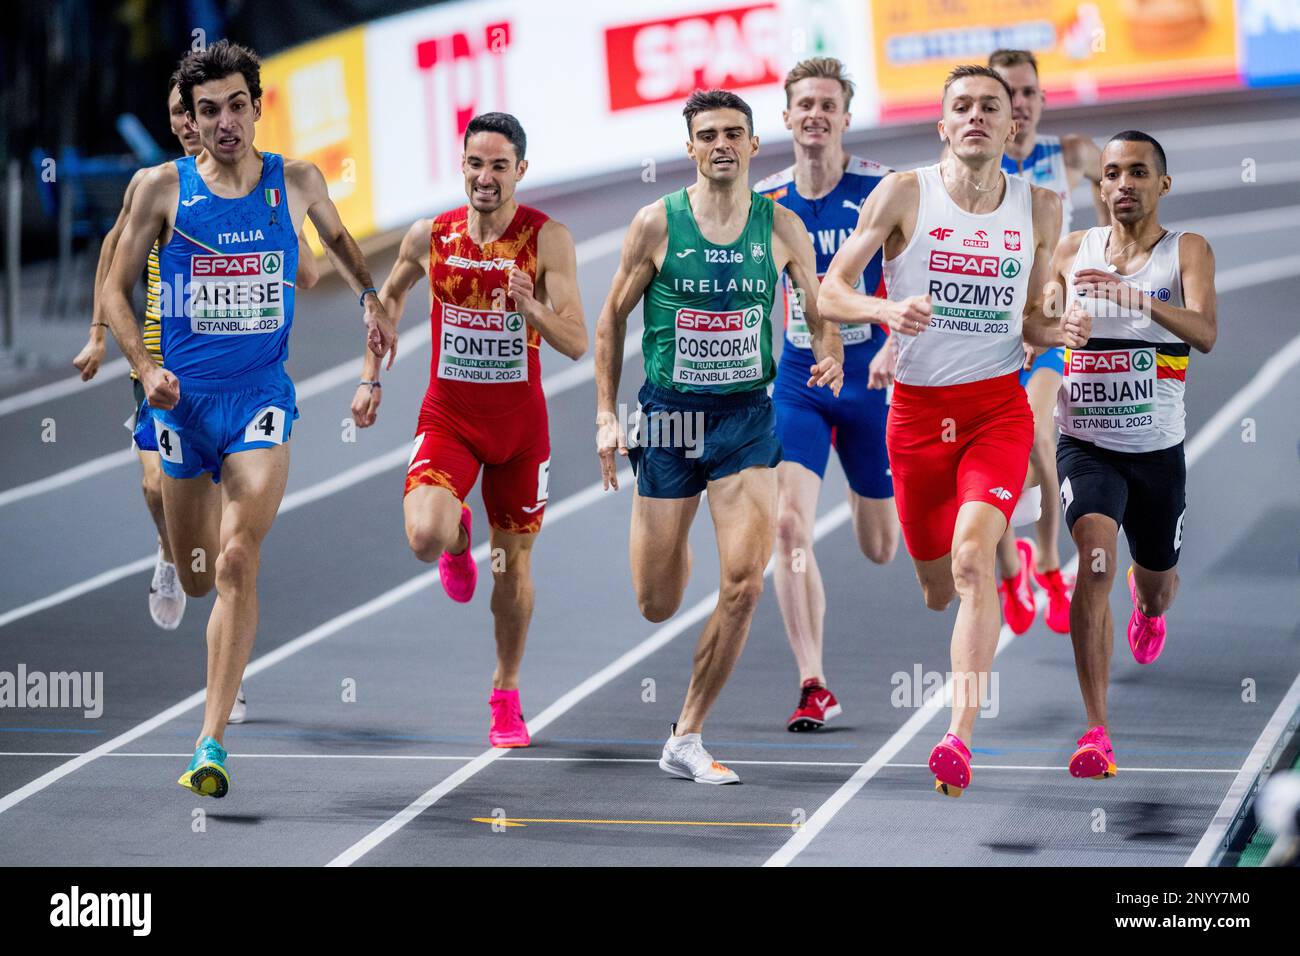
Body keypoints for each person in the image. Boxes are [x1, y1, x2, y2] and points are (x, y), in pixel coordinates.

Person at [101, 41, 396, 797]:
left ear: (258, 107)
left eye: (237, 105)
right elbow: (113, 289)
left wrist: (371, 298)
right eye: (208, 111)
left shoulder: (293, 181)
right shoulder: (159, 190)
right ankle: (172, 556)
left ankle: (210, 741)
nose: (225, 122)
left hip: (260, 400)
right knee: (200, 576)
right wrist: (143, 366)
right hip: (182, 405)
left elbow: (338, 243)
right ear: (190, 120)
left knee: (237, 561)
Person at [820, 65, 1088, 797]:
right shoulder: (906, 192)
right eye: (961, 107)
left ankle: (957, 739)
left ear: (1012, 128)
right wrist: (884, 315)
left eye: (990, 108)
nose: (975, 116)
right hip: (914, 419)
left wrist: (1055, 325)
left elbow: (1032, 318)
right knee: (938, 586)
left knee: (974, 560)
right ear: (943, 126)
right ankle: (982, 590)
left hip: (995, 411)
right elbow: (830, 290)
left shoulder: (1040, 208)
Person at [595, 89, 843, 784]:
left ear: (754, 144)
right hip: (670, 419)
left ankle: (687, 735)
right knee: (657, 601)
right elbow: (611, 320)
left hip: (745, 419)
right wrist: (606, 415)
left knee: (745, 584)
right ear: (691, 148)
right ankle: (675, 544)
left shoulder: (781, 225)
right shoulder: (656, 224)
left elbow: (817, 304)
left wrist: (831, 347)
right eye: (709, 134)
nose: (723, 143)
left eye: (735, 132)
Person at [351, 112, 586, 748]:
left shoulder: (548, 239)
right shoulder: (432, 235)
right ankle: (458, 543)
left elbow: (577, 342)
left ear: (521, 171)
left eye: (499, 166)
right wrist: (372, 374)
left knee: (510, 570)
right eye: (475, 164)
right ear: (462, 166)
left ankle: (505, 692)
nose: (485, 177)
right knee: (424, 536)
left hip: (519, 432)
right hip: (449, 418)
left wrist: (530, 305)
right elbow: (386, 300)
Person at [74, 77, 320, 652]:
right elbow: (113, 258)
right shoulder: (157, 186)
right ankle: (169, 547)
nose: (191, 123)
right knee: (154, 483)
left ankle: (227, 643)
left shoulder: (260, 186)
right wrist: (97, 336)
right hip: (159, 366)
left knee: (226, 544)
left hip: (233, 375)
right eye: (181, 113)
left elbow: (305, 271)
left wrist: (277, 250)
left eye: (198, 112)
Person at [1052, 131, 1215, 779]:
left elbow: (1204, 332)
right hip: (1085, 444)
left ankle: (1146, 607)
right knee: (1093, 560)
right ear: (1100, 188)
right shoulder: (1072, 250)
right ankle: (1096, 730)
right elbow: (1034, 324)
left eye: (1138, 172)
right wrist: (1053, 325)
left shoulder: (1186, 251)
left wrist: (1136, 301)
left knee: (1155, 589)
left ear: (1161, 185)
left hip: (1156, 452)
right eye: (1112, 173)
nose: (1123, 183)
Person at [754, 57, 898, 731]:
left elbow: (910, 272)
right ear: (786, 118)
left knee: (881, 548)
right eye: (803, 103)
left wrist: (896, 346)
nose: (815, 114)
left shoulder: (881, 190)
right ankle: (812, 681)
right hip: (801, 381)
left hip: (870, 381)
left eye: (827, 104)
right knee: (787, 526)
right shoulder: (766, 201)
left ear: (845, 116)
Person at [988, 48, 1108, 635]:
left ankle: (1051, 567)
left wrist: (1111, 248)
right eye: (1007, 94)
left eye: (1029, 92)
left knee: (1039, 432)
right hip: (987, 332)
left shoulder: (1072, 156)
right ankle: (1011, 568)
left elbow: (1126, 188)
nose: (1020, 104)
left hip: (1052, 327)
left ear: (1041, 97)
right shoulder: (971, 165)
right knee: (994, 457)